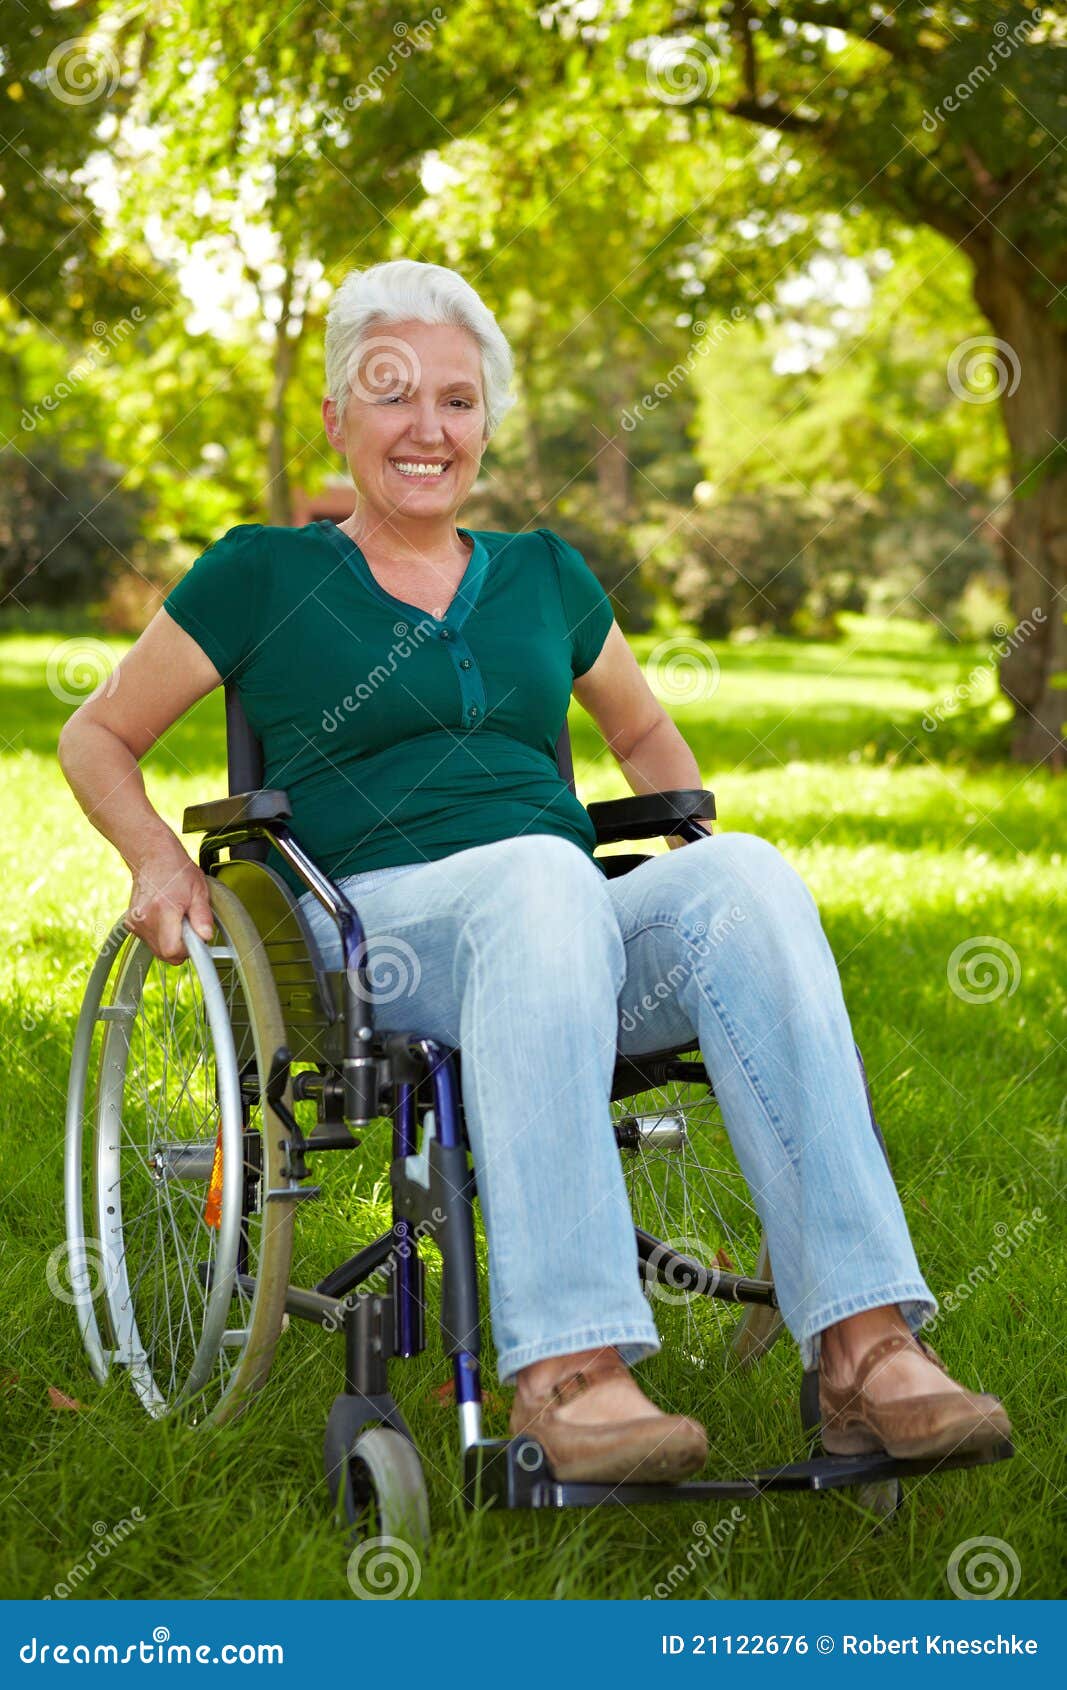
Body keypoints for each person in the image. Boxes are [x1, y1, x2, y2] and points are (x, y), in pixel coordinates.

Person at [58, 259, 1010, 1485]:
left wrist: (686, 850)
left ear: (487, 425)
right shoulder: (261, 573)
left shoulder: (545, 573)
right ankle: (569, 1369)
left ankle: (865, 1351)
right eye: (392, 394)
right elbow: (97, 733)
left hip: (563, 927)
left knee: (750, 875)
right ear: (337, 417)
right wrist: (154, 862)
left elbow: (648, 741)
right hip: (374, 939)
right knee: (535, 878)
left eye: (457, 401)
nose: (427, 428)